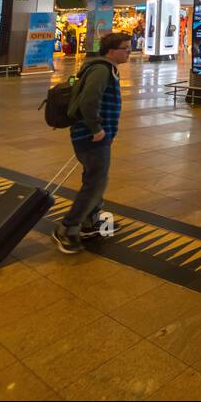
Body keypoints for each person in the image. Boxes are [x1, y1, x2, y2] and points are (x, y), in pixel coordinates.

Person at [54, 32, 131, 254]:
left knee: (96, 179)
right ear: (111, 50)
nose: (129, 52)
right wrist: (96, 128)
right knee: (95, 183)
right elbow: (89, 100)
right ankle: (67, 228)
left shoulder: (103, 68)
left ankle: (90, 223)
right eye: (125, 48)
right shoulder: (101, 70)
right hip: (91, 136)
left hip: (93, 135)